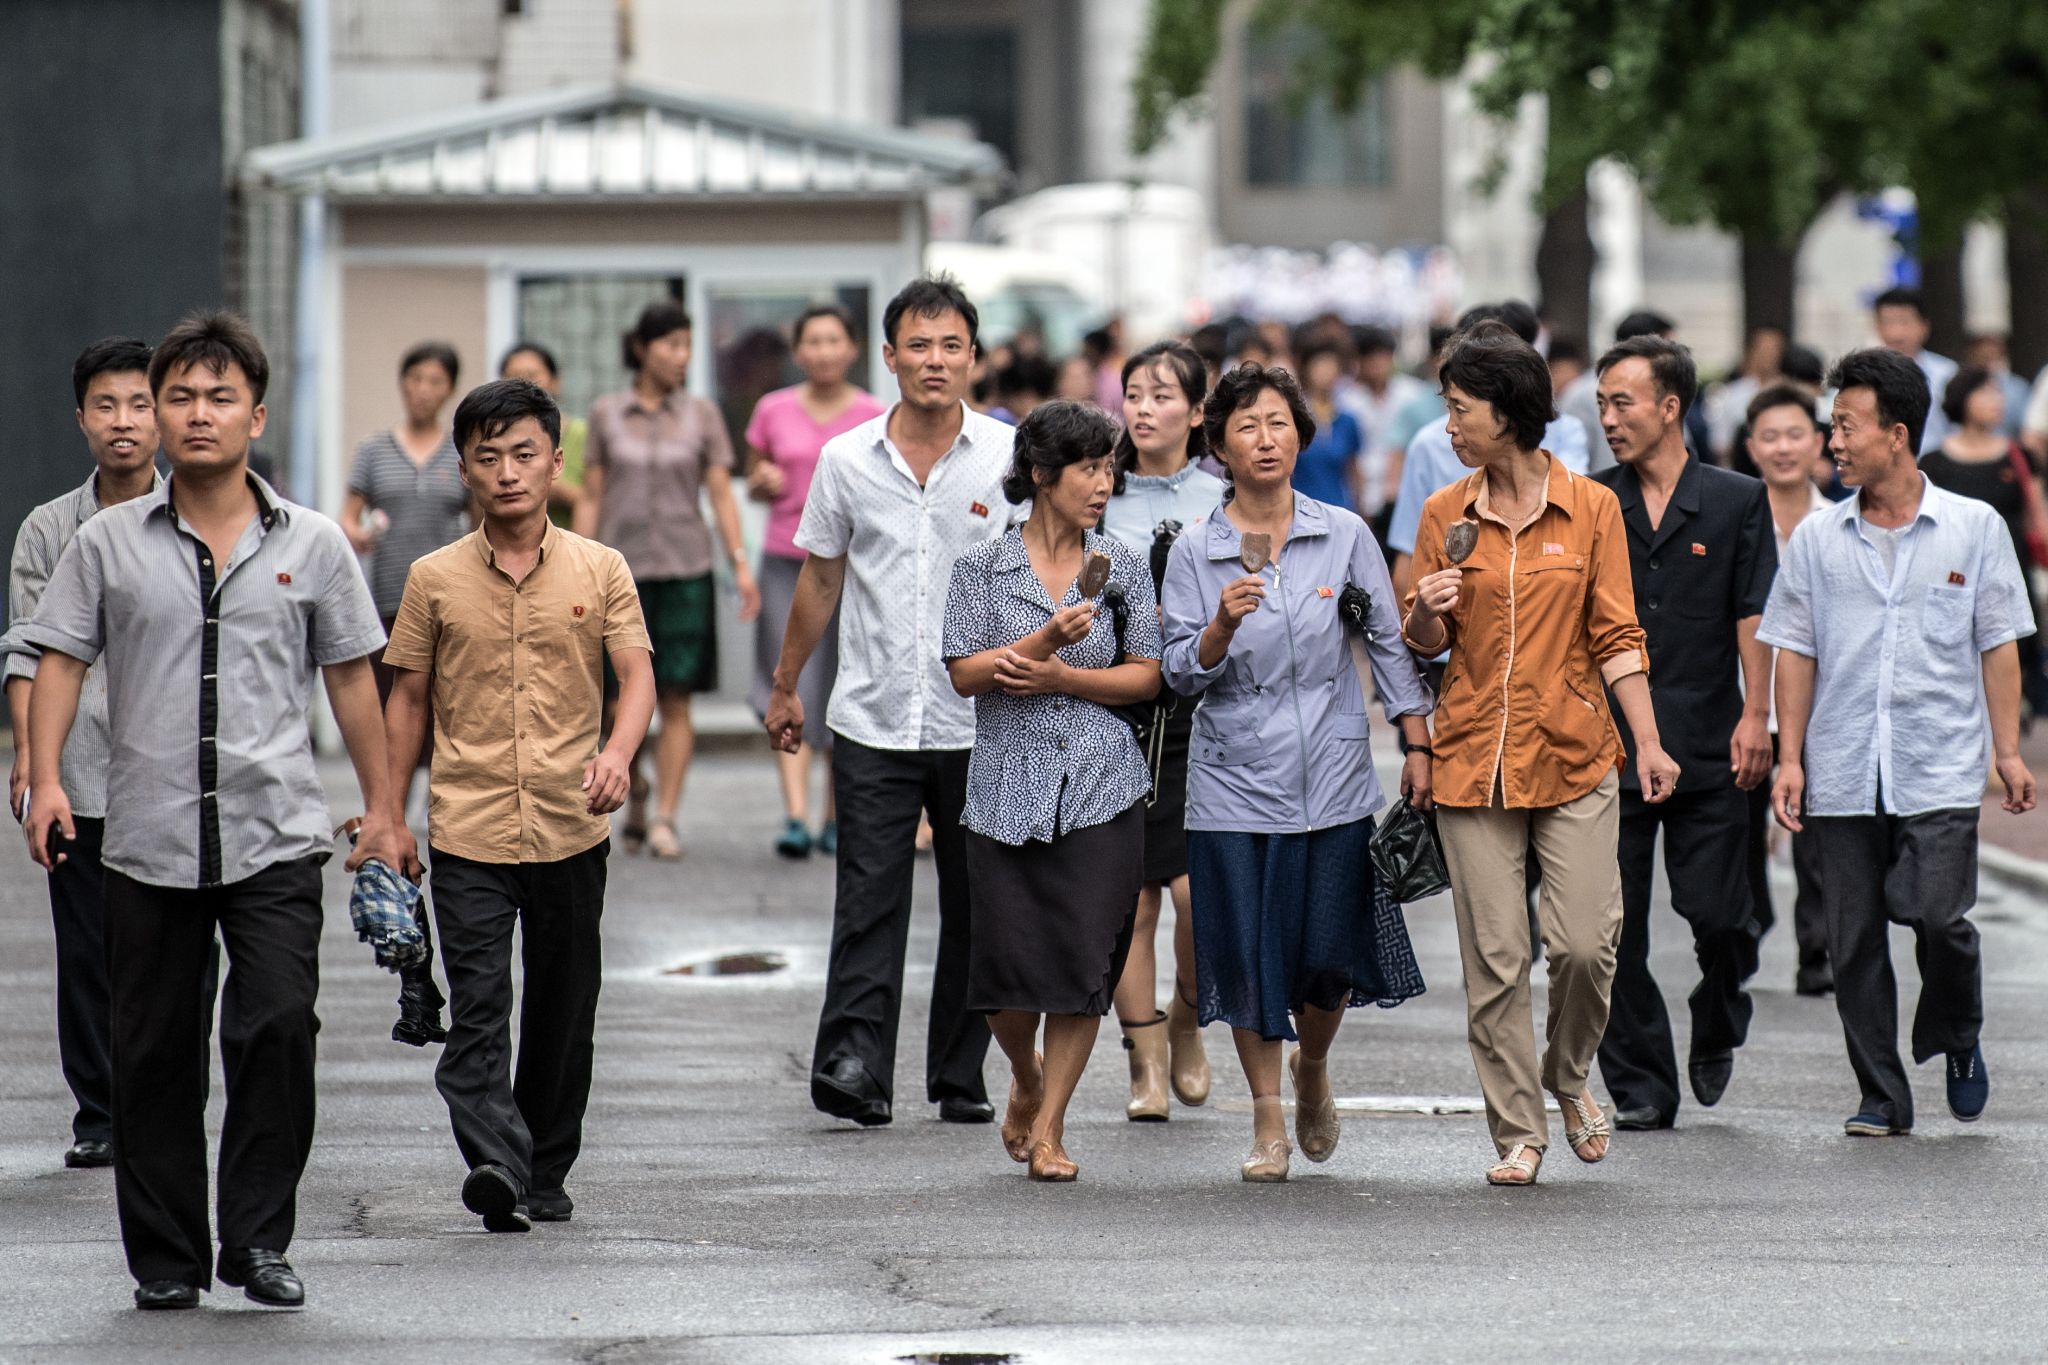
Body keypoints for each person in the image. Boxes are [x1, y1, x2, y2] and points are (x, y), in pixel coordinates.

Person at [20, 312, 411, 1310]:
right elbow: (58, 659)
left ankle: (259, 1240)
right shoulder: (105, 543)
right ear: (157, 414)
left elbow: (353, 680)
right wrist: (48, 777)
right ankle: (166, 1259)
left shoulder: (315, 544)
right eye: (178, 397)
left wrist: (383, 810)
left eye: (218, 396)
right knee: (151, 1053)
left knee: (278, 1028)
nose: (197, 415)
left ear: (255, 413)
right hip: (145, 836)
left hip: (274, 830)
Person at [1402, 320, 1678, 1187]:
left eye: (1460, 409)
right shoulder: (1445, 512)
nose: (1450, 427)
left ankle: (1568, 1074)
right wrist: (1426, 608)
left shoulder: (1592, 507)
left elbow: (1618, 633)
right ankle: (1518, 1128)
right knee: (1495, 960)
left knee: (1589, 944)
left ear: (1508, 412)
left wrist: (1650, 741)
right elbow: (1422, 642)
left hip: (1575, 749)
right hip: (1473, 757)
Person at [381, 378, 654, 1232]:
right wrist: (389, 814)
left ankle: (544, 1165)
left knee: (565, 1007)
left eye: (524, 454)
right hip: (468, 826)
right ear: (464, 468)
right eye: (489, 456)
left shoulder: (600, 567)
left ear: (556, 463)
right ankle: (498, 1157)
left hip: (573, 823)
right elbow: (409, 701)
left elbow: (637, 676)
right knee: (480, 1004)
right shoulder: (431, 579)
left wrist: (617, 752)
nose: (507, 472)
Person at [1162, 362, 1435, 1183]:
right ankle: (1268, 1117)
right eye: (1247, 426)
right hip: (1233, 786)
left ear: (1301, 435)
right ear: (1219, 447)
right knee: (1249, 958)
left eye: (1279, 422)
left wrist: (1417, 745)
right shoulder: (1194, 551)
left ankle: (1312, 1065)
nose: (1265, 439)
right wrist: (1216, 628)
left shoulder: (1344, 533)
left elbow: (1389, 644)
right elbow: (1177, 672)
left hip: (1335, 781)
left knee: (1327, 960)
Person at [1763, 348, 2037, 1136]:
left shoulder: (1973, 526)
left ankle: (1957, 1030)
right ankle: (1882, 1094)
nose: (1833, 442)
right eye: (1832, 426)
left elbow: (1999, 643)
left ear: (1897, 433)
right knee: (1852, 941)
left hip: (1940, 760)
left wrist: (2008, 751)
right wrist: (1790, 758)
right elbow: (1795, 647)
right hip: (1844, 764)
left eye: (1847, 426)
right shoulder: (1818, 538)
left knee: (1939, 917)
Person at [764, 275, 1013, 1128]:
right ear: (890, 356)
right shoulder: (845, 459)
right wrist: (786, 683)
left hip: (982, 716)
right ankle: (854, 1063)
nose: (934, 361)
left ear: (973, 357)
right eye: (919, 345)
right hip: (871, 712)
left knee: (979, 899)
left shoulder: (1009, 460)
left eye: (951, 346)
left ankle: (961, 1071)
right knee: (868, 892)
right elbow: (822, 575)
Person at [942, 401, 1160, 1180]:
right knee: (1004, 971)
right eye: (1088, 468)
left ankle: (1053, 1127)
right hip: (1006, 784)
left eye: (1110, 468)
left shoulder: (1122, 565)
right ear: (1041, 475)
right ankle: (1025, 1075)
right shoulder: (981, 568)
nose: (1104, 483)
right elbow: (965, 671)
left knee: (1081, 963)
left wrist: (1069, 675)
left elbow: (1148, 673)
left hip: (1103, 784)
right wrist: (1043, 640)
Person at [1589, 337, 1777, 1131]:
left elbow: (1754, 615)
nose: (1608, 419)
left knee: (1724, 916)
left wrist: (1756, 714)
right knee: (1608, 931)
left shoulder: (1737, 499)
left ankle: (1721, 1005)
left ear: (1671, 406)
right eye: (1601, 404)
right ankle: (1641, 1084)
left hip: (1710, 740)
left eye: (1621, 402)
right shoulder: (1594, 500)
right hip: (1611, 749)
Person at [3, 338, 165, 1171]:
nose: (125, 422)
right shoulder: (47, 529)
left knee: (169, 954)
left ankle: (163, 1100)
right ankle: (100, 1110)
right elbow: (28, 654)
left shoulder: (199, 517)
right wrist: (38, 764)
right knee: (87, 953)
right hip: (83, 770)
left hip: (172, 779)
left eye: (140, 404)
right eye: (107, 406)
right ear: (81, 419)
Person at [575, 301, 759, 859]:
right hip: (617, 573)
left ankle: (666, 818)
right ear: (642, 349)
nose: (681, 357)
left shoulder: (702, 415)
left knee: (676, 697)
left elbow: (722, 493)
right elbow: (591, 495)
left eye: (687, 346)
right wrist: (575, 562)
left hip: (686, 570)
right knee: (610, 699)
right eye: (671, 345)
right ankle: (632, 786)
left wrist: (739, 563)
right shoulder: (608, 413)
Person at [1099, 340, 1227, 1120]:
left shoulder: (1224, 495)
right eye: (1134, 394)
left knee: (1198, 893)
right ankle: (1143, 1056)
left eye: (1162, 395)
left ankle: (1186, 1021)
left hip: (1203, 711)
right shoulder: (1098, 492)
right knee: (1131, 898)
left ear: (1198, 411)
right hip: (1113, 706)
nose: (1144, 409)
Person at [742, 306, 887, 859]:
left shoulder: (877, 414)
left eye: (835, 340)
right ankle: (796, 816)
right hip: (786, 561)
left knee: (842, 685)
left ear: (853, 349)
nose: (824, 351)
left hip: (854, 566)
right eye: (813, 341)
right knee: (792, 680)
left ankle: (833, 816)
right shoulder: (771, 410)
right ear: (798, 351)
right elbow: (755, 482)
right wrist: (761, 481)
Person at [1387, 302, 1589, 603]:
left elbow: (1615, 628)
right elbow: (1410, 581)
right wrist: (1422, 619)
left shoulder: (1592, 499)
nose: (1451, 428)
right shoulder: (1441, 501)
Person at [1744, 385, 1834, 996]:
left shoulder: (1838, 524)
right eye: (1770, 437)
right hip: (1747, 704)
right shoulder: (1733, 523)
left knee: (1818, 834)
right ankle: (1750, 927)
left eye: (1795, 434)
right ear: (1751, 447)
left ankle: (1817, 948)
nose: (1783, 448)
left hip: (1820, 703)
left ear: (1820, 443)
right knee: (1743, 832)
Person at [1922, 367, 2048, 720]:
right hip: (1952, 579)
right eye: (1985, 393)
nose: (1996, 401)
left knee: (2011, 654)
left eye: (1998, 393)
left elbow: (2037, 515)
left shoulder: (2020, 456)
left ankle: (2005, 737)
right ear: (1962, 400)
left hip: (2011, 576)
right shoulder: (1933, 463)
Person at [342, 342, 470, 671]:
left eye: (435, 381)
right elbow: (348, 518)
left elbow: (479, 526)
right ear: (402, 383)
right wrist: (358, 534)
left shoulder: (462, 453)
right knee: (390, 698)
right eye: (415, 378)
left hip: (449, 599)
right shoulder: (373, 450)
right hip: (386, 597)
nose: (423, 390)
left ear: (450, 389)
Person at [1343, 324, 1427, 536]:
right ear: (1360, 361)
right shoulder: (1347, 399)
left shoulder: (1412, 393)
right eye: (1371, 358)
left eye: (1383, 357)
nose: (1378, 364)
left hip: (1403, 490)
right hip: (1364, 492)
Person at [498, 341, 587, 527]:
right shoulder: (494, 437)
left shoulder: (583, 433)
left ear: (555, 381)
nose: (524, 386)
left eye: (532, 375)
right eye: (513, 378)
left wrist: (557, 490)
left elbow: (597, 498)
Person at [1871, 287, 1957, 454]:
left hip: (1935, 468)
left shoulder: (1948, 374)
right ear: (1877, 327)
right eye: (1888, 322)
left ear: (1924, 326)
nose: (1896, 333)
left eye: (1904, 322)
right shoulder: (1863, 376)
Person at [1288, 335, 1366, 513]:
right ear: (1306, 369)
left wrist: (1362, 514)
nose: (1325, 371)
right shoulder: (1293, 419)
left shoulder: (1347, 420)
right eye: (1319, 364)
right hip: (1301, 511)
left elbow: (1354, 472)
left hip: (1340, 511)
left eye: (1331, 365)